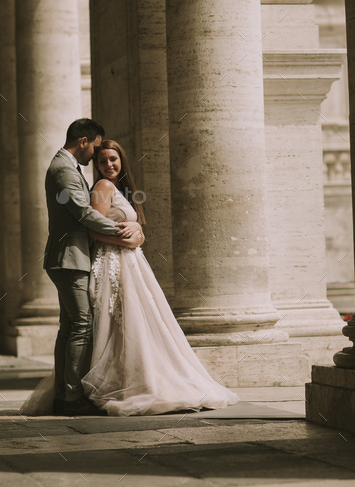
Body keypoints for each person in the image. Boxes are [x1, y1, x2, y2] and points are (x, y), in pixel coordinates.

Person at [81, 139, 239, 415]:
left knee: (136, 320)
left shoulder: (121, 188)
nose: (108, 165)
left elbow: (131, 227)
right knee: (119, 320)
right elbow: (93, 230)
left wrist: (137, 233)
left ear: (122, 160)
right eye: (103, 160)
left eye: (113, 159)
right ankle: (122, 382)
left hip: (129, 262)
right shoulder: (103, 186)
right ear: (96, 164)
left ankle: (138, 378)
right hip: (113, 261)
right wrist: (130, 242)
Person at [20, 119, 144, 417]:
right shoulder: (63, 168)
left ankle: (65, 395)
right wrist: (125, 233)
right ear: (84, 141)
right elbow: (83, 213)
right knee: (81, 326)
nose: (96, 157)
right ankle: (72, 397)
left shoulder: (68, 167)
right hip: (69, 257)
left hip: (70, 256)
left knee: (69, 327)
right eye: (96, 148)